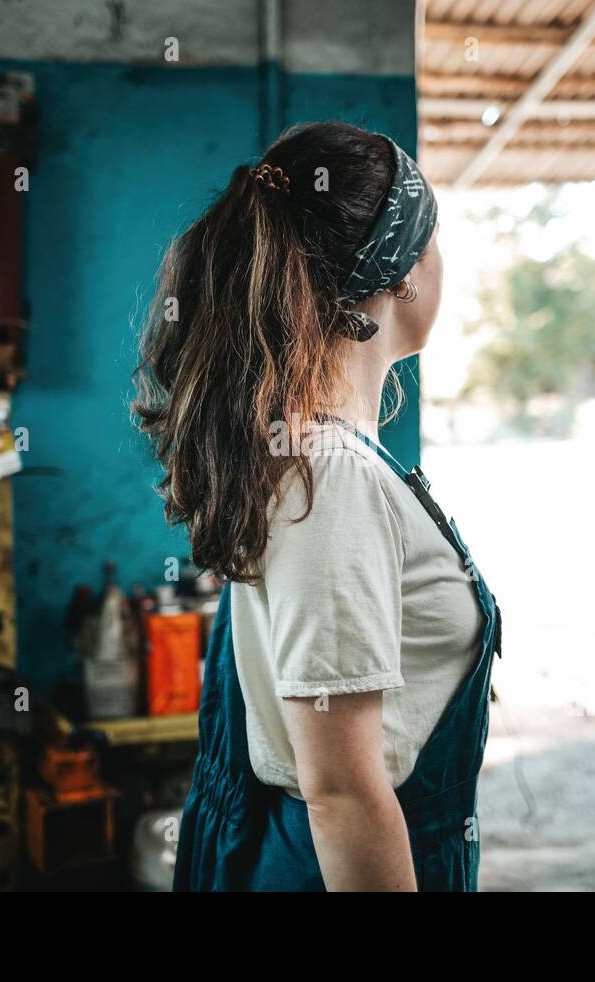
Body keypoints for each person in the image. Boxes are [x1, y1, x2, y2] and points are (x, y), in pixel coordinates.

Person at [134, 121, 501, 891]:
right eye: (433, 240)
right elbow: (343, 793)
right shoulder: (331, 478)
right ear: (402, 272)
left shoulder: (317, 454)